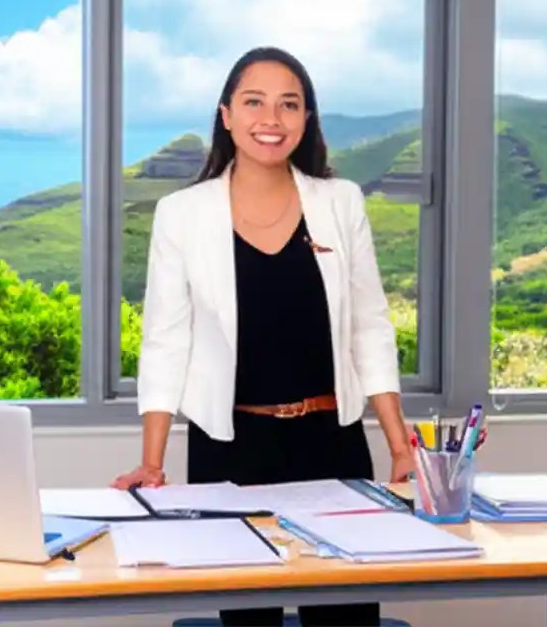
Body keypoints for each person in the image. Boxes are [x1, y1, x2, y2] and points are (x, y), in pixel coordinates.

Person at [112, 46, 414, 627]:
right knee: (250, 619)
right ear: (226, 114)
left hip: (333, 441)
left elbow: (369, 327)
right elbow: (165, 342)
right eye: (254, 102)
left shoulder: (340, 202)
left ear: (306, 120)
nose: (270, 119)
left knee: (347, 619)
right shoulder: (181, 214)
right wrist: (151, 462)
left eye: (288, 104)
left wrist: (400, 448)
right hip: (230, 447)